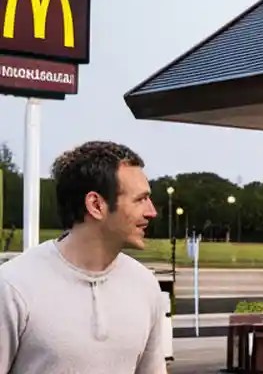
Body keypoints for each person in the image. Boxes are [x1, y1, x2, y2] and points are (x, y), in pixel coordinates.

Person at [0, 141, 167, 373]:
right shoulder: (13, 286)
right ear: (96, 205)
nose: (152, 212)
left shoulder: (145, 284)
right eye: (140, 199)